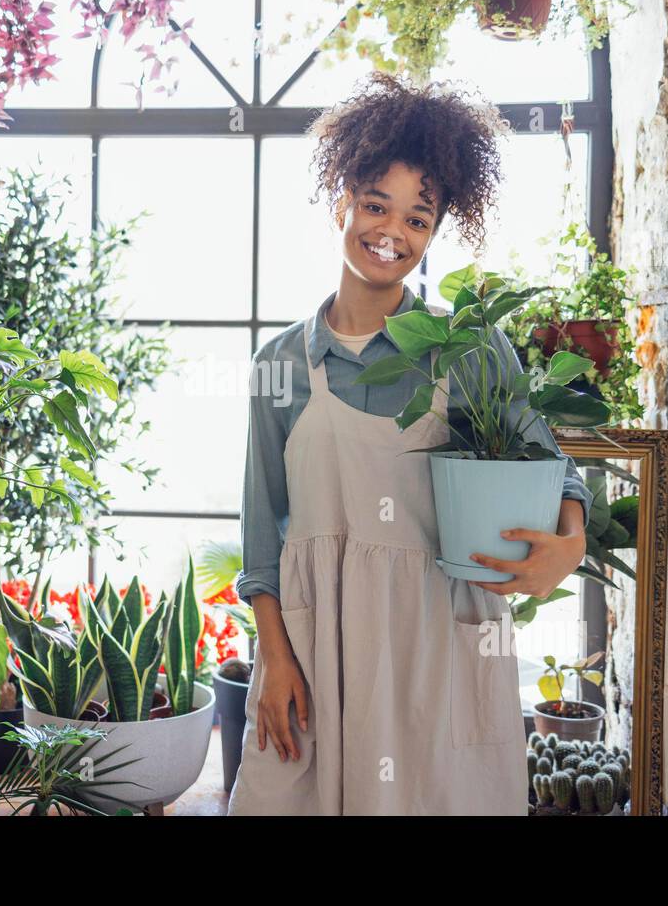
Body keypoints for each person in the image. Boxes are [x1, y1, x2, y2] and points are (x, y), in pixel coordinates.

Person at [226, 72, 594, 815]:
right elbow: (262, 535)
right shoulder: (280, 367)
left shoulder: (469, 347)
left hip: (437, 652)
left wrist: (570, 546)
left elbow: (552, 465)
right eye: (374, 204)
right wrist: (275, 659)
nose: (391, 231)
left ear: (434, 233)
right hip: (316, 650)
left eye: (417, 218)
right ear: (342, 201)